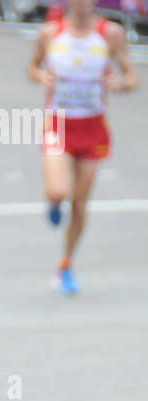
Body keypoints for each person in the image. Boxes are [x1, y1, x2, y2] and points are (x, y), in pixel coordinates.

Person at [27, 0, 137, 295]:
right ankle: (52, 201)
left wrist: (121, 83)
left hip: (92, 127)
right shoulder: (51, 33)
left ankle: (65, 264)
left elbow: (132, 76)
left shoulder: (109, 33)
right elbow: (32, 67)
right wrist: (41, 77)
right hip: (59, 124)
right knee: (58, 192)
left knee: (79, 204)